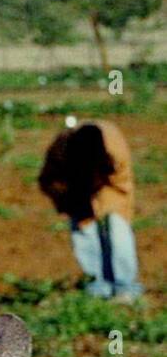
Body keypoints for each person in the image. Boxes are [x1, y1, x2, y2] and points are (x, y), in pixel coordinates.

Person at [39, 120, 143, 301]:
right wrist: (69, 201)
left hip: (110, 185)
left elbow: (121, 181)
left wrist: (102, 201)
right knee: (84, 231)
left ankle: (124, 286)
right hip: (75, 185)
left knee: (118, 230)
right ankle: (98, 285)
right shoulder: (62, 149)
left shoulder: (114, 149)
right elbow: (49, 180)